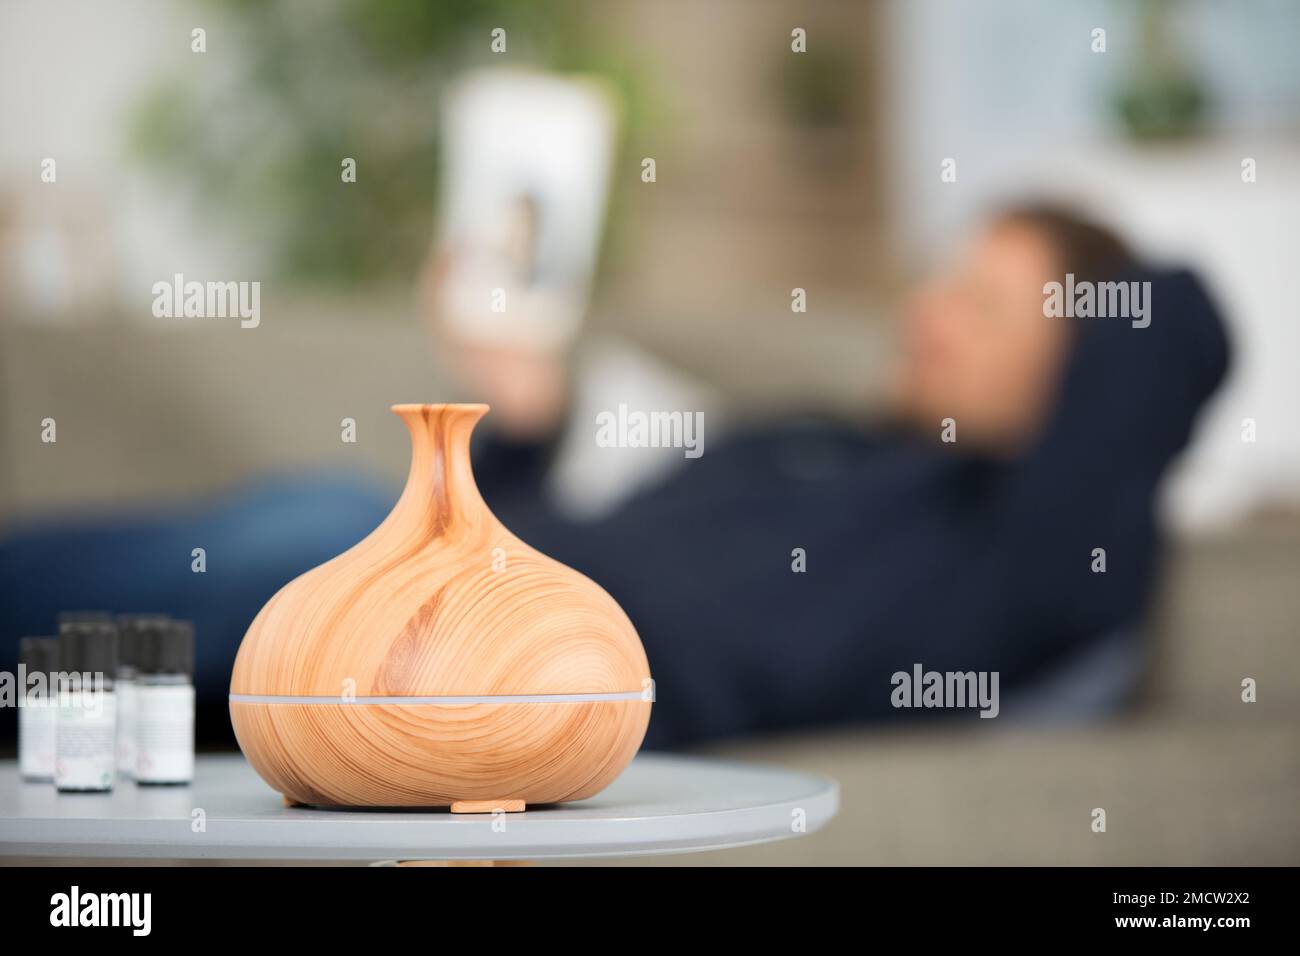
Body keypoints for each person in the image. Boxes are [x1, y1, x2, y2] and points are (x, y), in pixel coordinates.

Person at [0, 206, 1229, 749]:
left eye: (981, 301)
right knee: (234, 592)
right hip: (467, 591)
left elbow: (1183, 319)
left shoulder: (1044, 549)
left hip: (549, 683)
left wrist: (1095, 310)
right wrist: (528, 422)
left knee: (301, 554)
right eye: (937, 281)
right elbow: (549, 533)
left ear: (1087, 346)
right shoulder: (811, 438)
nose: (927, 313)